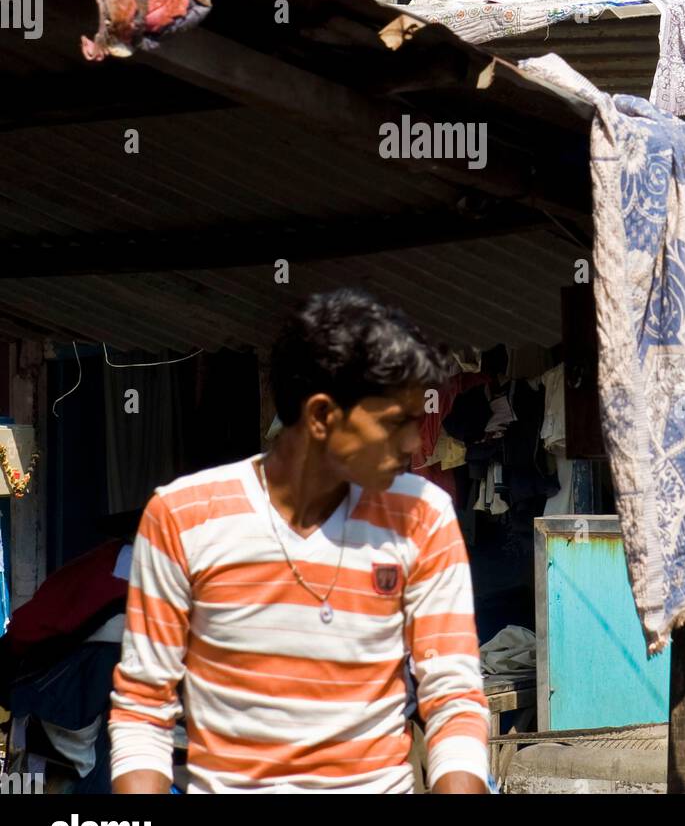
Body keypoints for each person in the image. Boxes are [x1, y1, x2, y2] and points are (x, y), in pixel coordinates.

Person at [109, 288, 489, 794]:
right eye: (394, 423)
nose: (412, 445)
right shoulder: (182, 517)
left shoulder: (423, 515)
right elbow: (144, 709)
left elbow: (453, 699)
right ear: (321, 417)